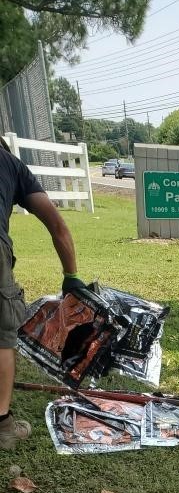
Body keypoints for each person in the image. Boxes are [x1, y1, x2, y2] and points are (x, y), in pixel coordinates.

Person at [0, 138, 87, 450]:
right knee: (2, 333)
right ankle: (3, 427)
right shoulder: (10, 163)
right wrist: (71, 276)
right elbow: (57, 225)